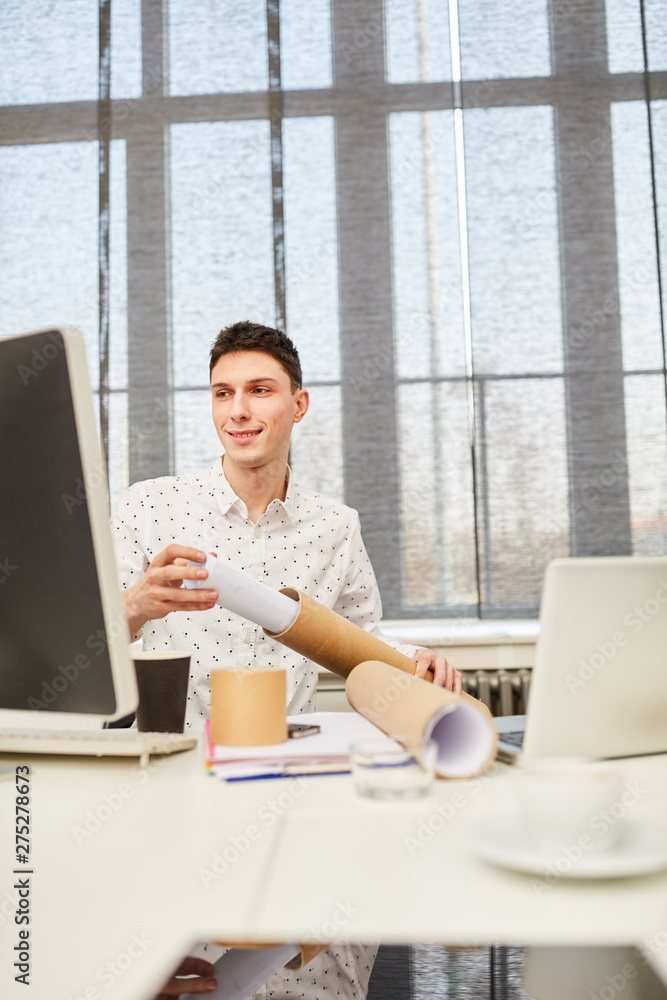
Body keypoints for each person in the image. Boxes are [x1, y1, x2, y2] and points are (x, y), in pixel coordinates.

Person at [112, 320, 462, 999]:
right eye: (222, 393)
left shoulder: (336, 525)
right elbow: (88, 647)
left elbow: (360, 647)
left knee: (309, 969)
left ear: (296, 405)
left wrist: (413, 663)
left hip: (288, 784)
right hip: (177, 787)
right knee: (188, 976)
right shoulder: (148, 506)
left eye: (259, 390)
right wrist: (134, 605)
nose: (237, 410)